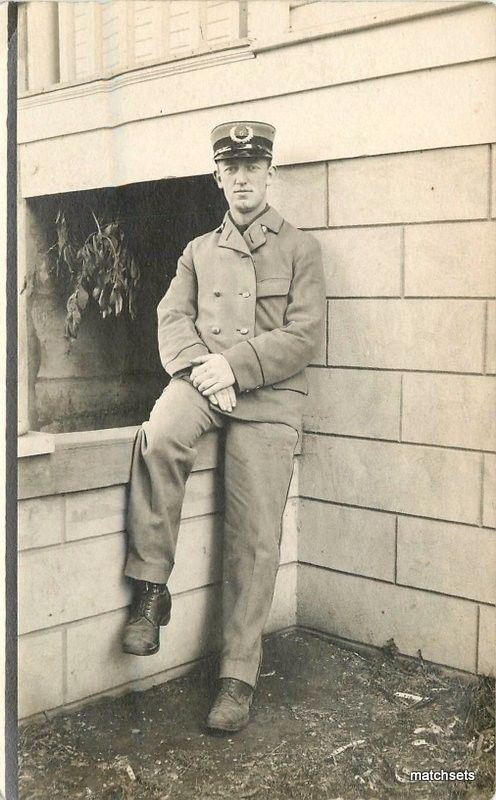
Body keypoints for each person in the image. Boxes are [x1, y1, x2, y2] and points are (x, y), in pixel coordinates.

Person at [122, 120, 326, 732]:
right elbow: (171, 319)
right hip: (204, 383)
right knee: (158, 437)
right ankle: (151, 590)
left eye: (252, 168)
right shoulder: (197, 251)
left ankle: (237, 676)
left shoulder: (300, 249)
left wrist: (231, 367)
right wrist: (199, 369)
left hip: (268, 394)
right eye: (230, 169)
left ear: (270, 175)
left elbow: (300, 337)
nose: (242, 178)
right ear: (217, 177)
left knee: (255, 529)